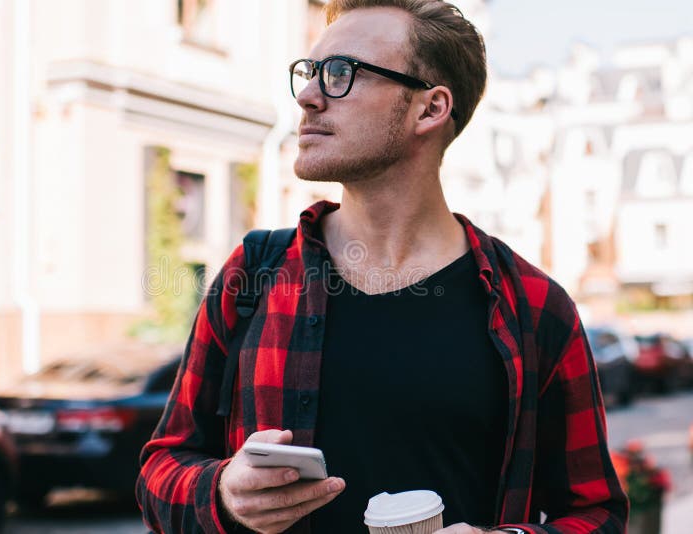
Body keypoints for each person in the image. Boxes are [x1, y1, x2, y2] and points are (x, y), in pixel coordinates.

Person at [136, 1, 628, 533]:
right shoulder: (254, 273)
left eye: (341, 73)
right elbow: (159, 470)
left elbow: (598, 513)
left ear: (429, 109)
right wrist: (224, 494)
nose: (308, 96)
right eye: (309, 72)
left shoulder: (535, 307)